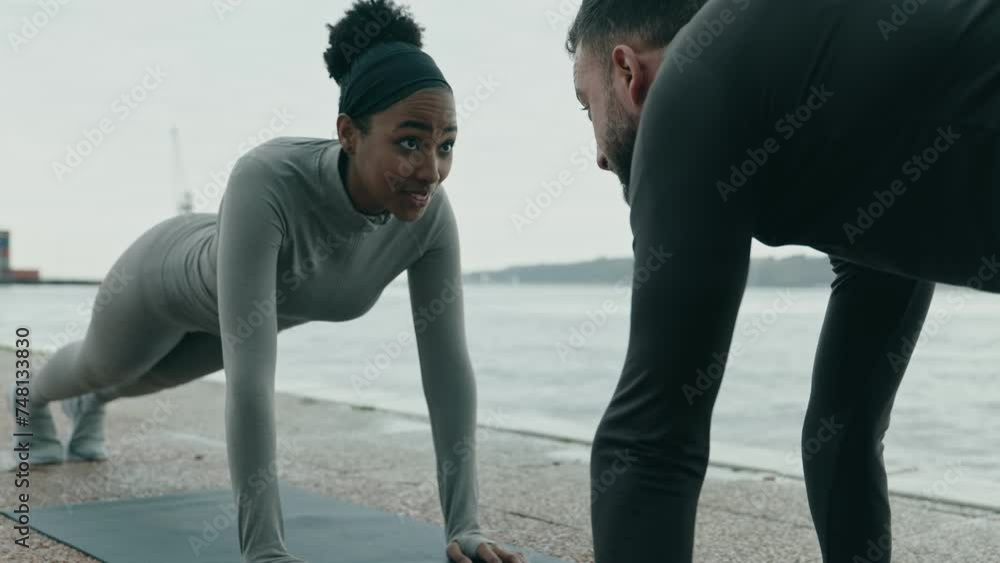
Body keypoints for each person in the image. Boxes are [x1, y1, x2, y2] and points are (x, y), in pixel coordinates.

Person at [7, 2, 526, 562]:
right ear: (349, 134)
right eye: (409, 141)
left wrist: (465, 527)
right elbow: (251, 384)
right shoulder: (269, 178)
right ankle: (28, 397)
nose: (430, 169)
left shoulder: (430, 219)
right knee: (97, 365)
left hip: (244, 313)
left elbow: (448, 373)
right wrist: (264, 552)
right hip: (160, 278)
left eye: (446, 144)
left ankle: (95, 407)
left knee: (141, 382)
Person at [565, 0, 1000, 561]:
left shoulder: (694, 75)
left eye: (586, 105)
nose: (598, 154)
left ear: (627, 71)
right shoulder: (858, 141)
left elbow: (649, 443)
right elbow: (843, 430)